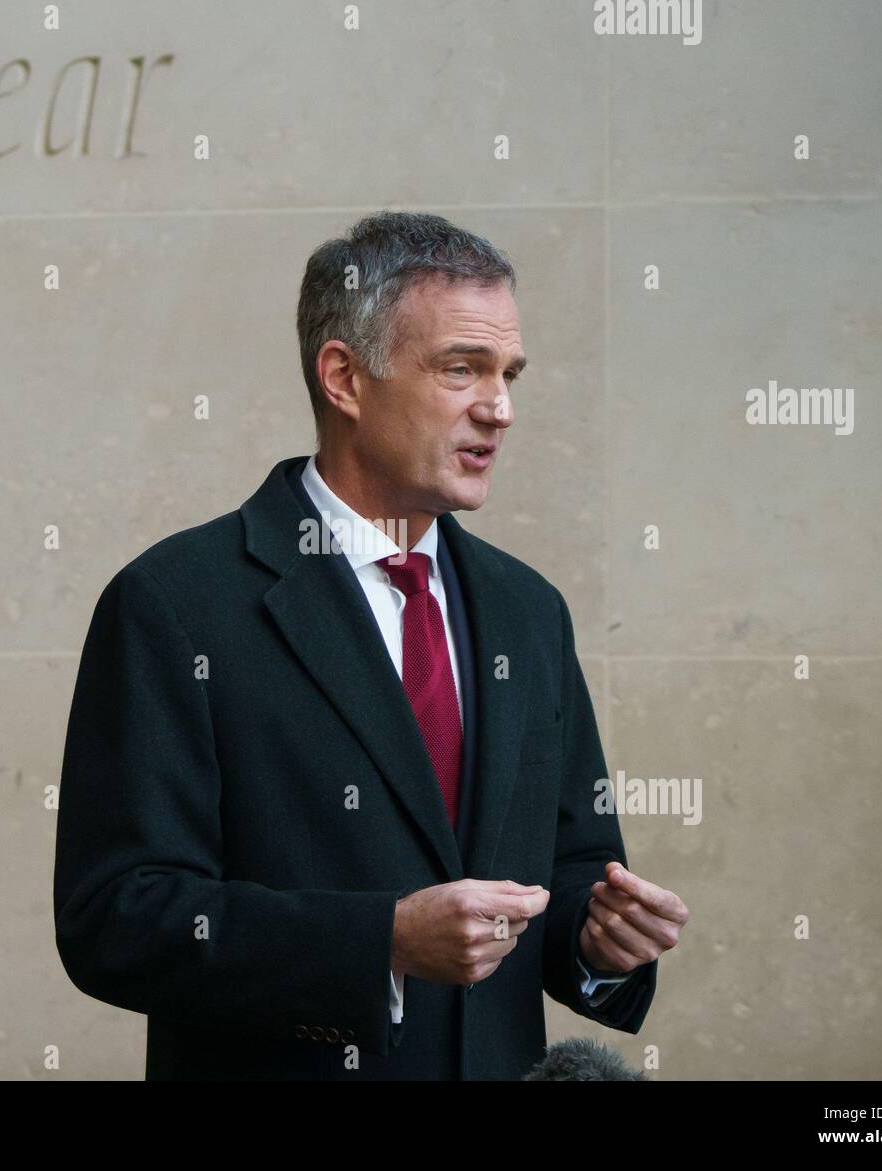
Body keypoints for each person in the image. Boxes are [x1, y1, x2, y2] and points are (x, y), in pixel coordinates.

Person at [53, 210, 688, 1080]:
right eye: (461, 368)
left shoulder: (528, 611)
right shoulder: (175, 604)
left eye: (509, 373)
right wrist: (381, 941)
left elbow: (572, 866)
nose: (498, 408)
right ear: (345, 378)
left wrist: (599, 940)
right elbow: (116, 918)